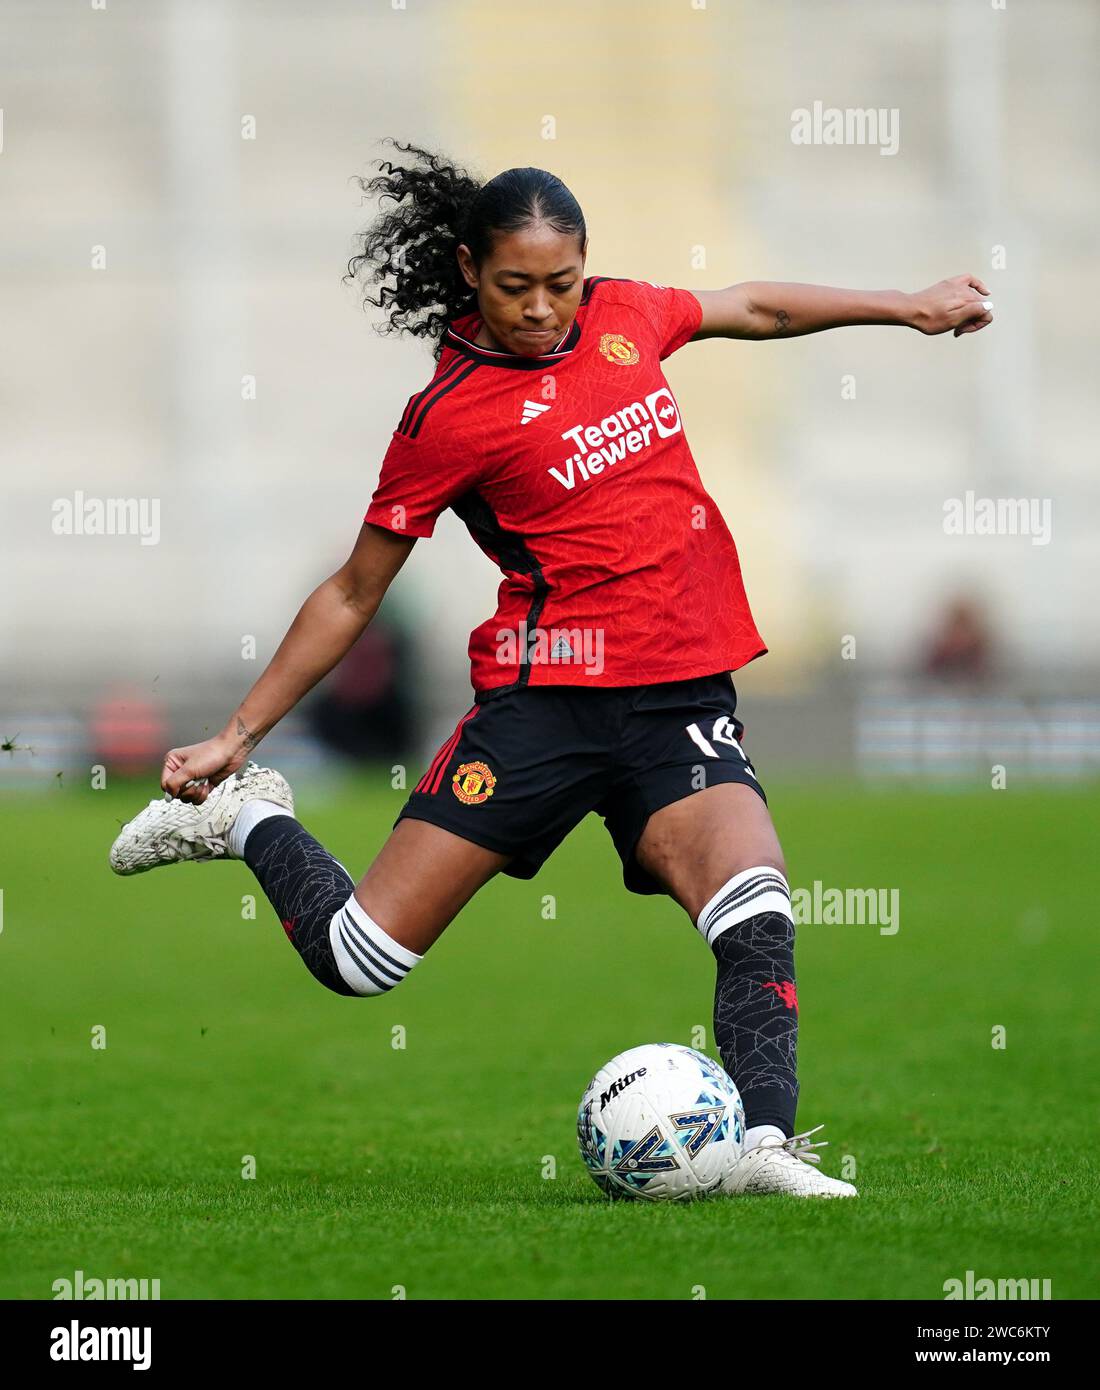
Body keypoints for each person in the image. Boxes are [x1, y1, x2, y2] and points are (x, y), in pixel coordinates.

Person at [110, 141, 993, 1199]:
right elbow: (353, 590)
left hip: (677, 702)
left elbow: (751, 306)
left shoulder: (624, 318)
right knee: (357, 962)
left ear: (587, 271)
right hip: (542, 711)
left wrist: (904, 305)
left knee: (755, 910)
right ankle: (249, 818)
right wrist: (236, 737)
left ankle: (761, 1145)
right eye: (515, 286)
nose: (541, 309)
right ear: (468, 271)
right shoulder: (446, 415)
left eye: (561, 284)